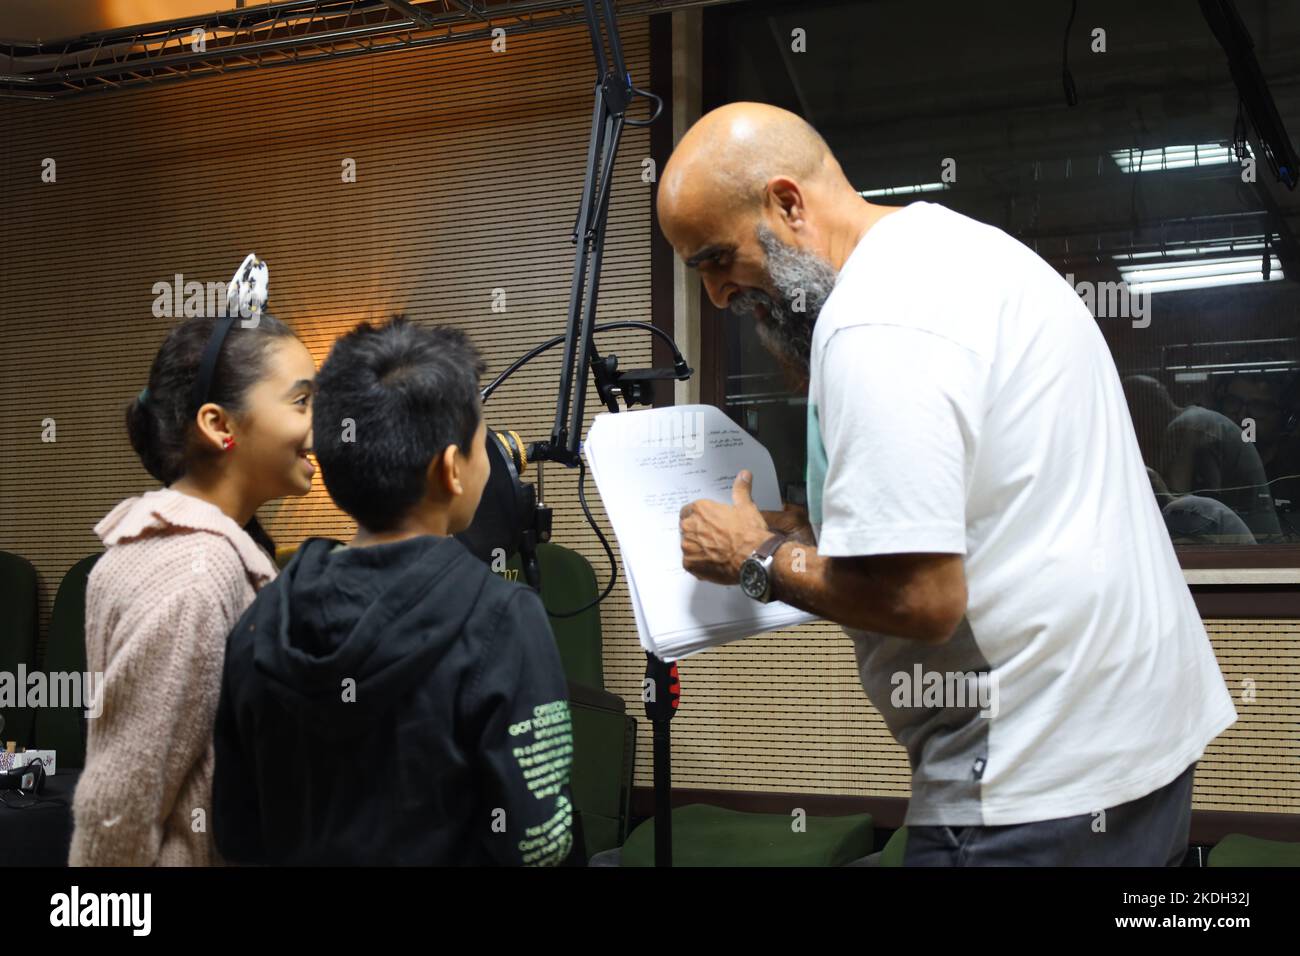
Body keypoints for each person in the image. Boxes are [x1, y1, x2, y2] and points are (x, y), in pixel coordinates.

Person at [658, 102, 1237, 866]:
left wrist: (755, 558)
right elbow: (989, 497)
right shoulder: (963, 252)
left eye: (716, 261)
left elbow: (921, 599)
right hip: (1135, 749)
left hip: (1030, 785)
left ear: (788, 203)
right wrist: (807, 527)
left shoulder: (874, 323)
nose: (719, 298)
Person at [211, 317, 575, 865]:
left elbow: (237, 832)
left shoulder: (260, 620)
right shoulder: (504, 621)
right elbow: (538, 843)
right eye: (482, 444)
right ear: (451, 469)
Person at [70, 312, 317, 866]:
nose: (317, 423)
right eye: (301, 402)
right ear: (218, 423)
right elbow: (119, 812)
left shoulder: (208, 554)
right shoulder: (191, 572)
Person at [1123, 374, 1280, 542]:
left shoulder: (1184, 427)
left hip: (1250, 546)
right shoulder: (1196, 419)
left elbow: (1180, 508)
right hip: (1258, 538)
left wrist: (1156, 489)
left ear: (1143, 410)